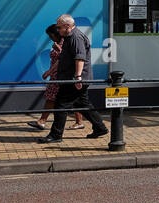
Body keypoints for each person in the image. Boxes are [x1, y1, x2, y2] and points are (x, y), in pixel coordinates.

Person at [37, 14, 108, 143]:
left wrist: (78, 77)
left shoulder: (76, 37)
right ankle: (100, 127)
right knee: (82, 104)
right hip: (72, 78)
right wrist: (50, 71)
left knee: (60, 105)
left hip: (73, 79)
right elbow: (63, 58)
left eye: (59, 27)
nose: (57, 30)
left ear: (67, 26)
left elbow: (80, 58)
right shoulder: (69, 37)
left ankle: (55, 135)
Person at [28, 24, 83, 131]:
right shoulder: (59, 42)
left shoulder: (66, 42)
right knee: (61, 98)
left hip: (61, 75)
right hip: (56, 75)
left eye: (51, 35)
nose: (50, 37)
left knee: (55, 98)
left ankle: (43, 121)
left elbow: (67, 57)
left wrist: (49, 71)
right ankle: (78, 121)